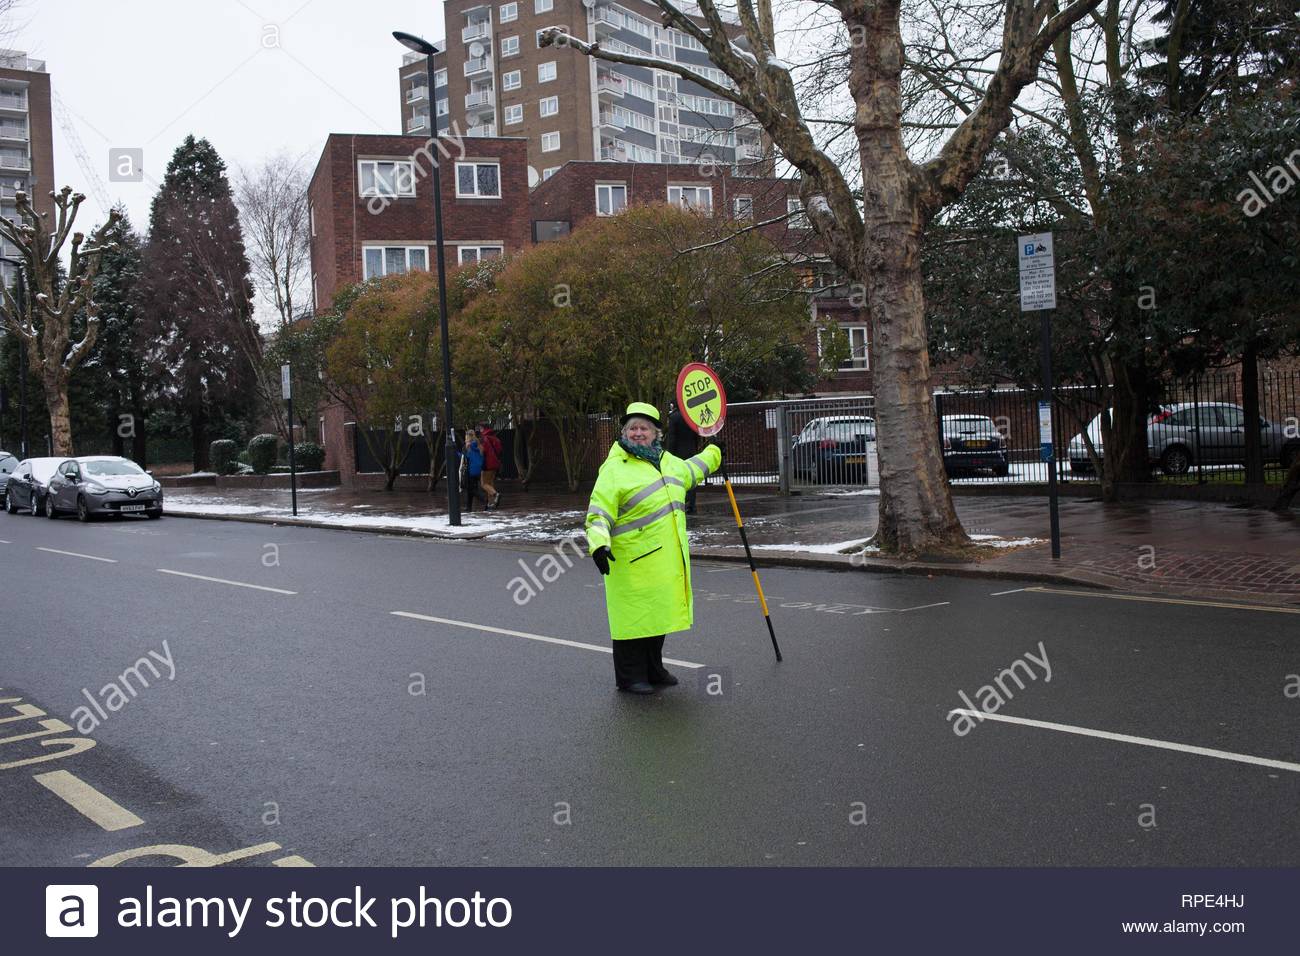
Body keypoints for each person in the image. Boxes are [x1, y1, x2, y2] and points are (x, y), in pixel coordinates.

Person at [585, 401, 722, 694]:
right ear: (623, 433)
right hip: (631, 562)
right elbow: (598, 512)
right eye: (632, 428)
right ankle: (629, 676)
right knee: (632, 621)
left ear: (656, 433)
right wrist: (598, 544)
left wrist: (713, 451)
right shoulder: (614, 469)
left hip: (664, 561)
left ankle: (654, 668)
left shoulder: (668, 462)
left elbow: (692, 470)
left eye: (643, 428)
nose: (638, 433)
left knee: (657, 617)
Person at [664, 403, 700, 515]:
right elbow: (696, 435)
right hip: (691, 450)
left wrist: (669, 453)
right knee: (691, 478)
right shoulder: (691, 415)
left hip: (678, 453)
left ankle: (682, 503)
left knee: (678, 479)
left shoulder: (674, 417)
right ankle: (691, 505)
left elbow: (672, 437)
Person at [459, 429, 488, 512]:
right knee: (470, 488)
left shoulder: (468, 446)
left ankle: (484, 500)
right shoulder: (478, 444)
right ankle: (469, 507)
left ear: (468, 437)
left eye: (466, 437)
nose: (465, 439)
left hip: (470, 469)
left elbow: (465, 457)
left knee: (472, 489)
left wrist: (456, 453)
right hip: (478, 469)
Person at [478, 422, 503, 510]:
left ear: (483, 428)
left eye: (480, 428)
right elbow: (499, 450)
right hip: (495, 464)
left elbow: (482, 452)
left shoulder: (484, 439)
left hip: (487, 464)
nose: (479, 430)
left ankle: (496, 494)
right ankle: (490, 504)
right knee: (490, 483)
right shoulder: (495, 438)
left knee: (484, 484)